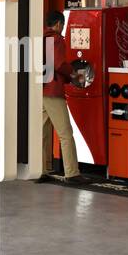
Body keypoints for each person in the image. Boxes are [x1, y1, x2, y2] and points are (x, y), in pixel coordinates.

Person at [42, 11, 83, 181]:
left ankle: (41, 170)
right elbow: (59, 64)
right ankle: (71, 173)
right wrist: (73, 74)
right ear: (59, 24)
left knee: (41, 133)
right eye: (63, 26)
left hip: (40, 89)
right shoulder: (57, 39)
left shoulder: (41, 38)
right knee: (65, 133)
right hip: (53, 91)